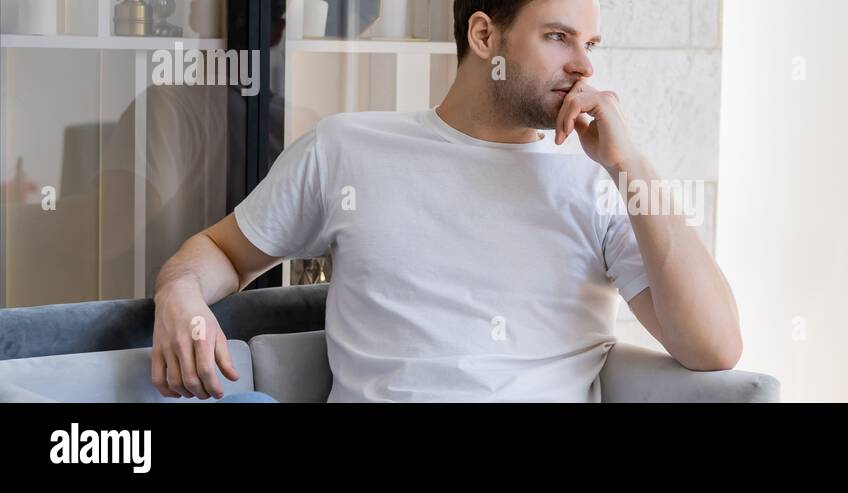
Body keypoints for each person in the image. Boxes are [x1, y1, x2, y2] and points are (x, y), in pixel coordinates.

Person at [151, 0, 741, 403]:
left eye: (590, 43)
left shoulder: (598, 186)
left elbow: (714, 347)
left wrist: (629, 163)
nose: (584, 65)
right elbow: (223, 254)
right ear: (484, 36)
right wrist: (178, 291)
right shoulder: (348, 148)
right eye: (558, 37)